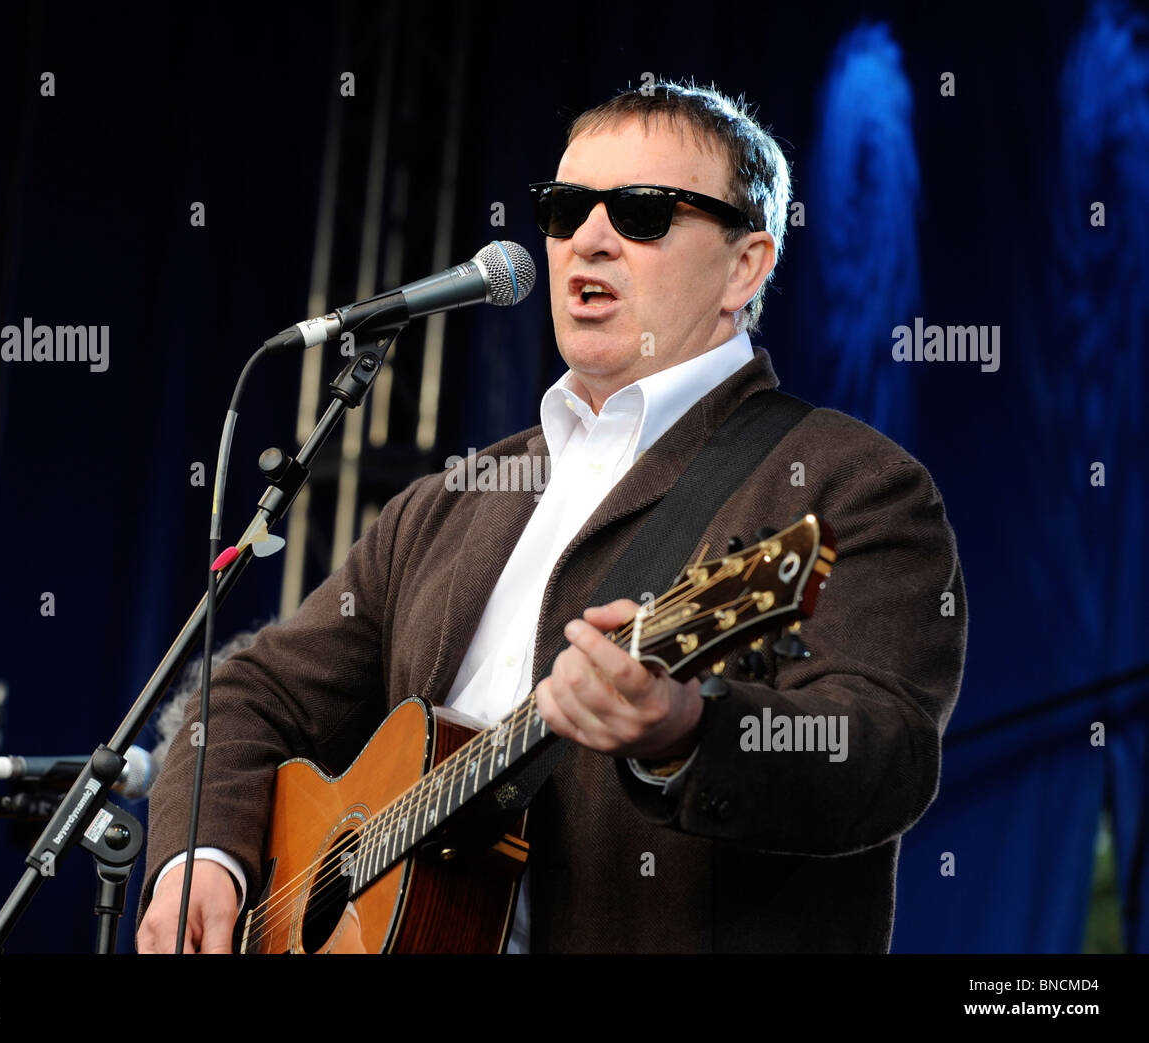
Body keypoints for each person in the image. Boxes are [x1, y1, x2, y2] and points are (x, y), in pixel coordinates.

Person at [136, 81, 967, 954]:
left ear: (746, 266)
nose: (589, 240)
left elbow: (881, 757)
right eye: (566, 208)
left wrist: (688, 730)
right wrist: (204, 851)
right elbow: (246, 690)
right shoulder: (454, 498)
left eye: (643, 212)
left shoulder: (852, 485)